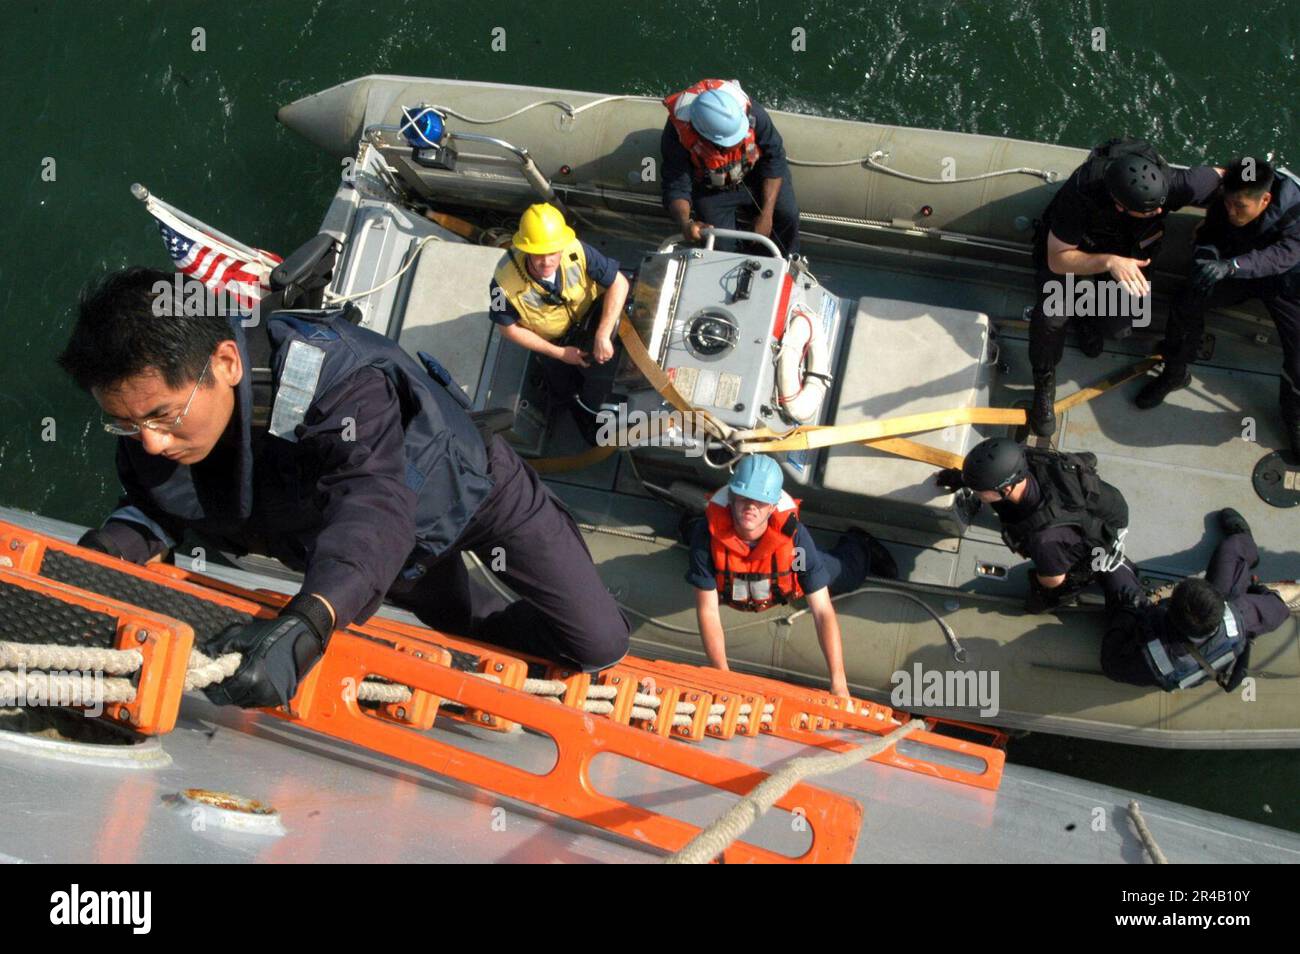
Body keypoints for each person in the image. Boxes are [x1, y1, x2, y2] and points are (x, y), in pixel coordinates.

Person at [59, 267, 630, 709]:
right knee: (471, 624)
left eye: (162, 416)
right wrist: (106, 553)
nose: (151, 443)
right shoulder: (151, 425)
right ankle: (517, 657)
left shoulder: (339, 380)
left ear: (227, 363)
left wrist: (309, 621)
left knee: (597, 642)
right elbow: (155, 506)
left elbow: (372, 504)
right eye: (129, 424)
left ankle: (559, 621)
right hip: (391, 560)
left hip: (471, 491)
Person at [1026, 137, 1222, 435]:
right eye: (1149, 211)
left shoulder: (1173, 186)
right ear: (1119, 205)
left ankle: (1087, 316)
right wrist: (1108, 262)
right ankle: (1044, 381)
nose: (1159, 213)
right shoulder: (1081, 194)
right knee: (1050, 318)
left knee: (1120, 326)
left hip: (1130, 253)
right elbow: (1058, 259)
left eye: (1160, 207)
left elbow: (1228, 176)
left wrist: (1215, 221)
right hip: (1080, 253)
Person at [684, 455, 897, 699]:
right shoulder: (707, 536)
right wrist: (721, 676)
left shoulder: (795, 541)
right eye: (743, 498)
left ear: (772, 506)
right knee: (696, 534)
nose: (750, 506)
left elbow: (822, 612)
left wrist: (839, 683)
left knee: (845, 573)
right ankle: (686, 522)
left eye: (760, 501)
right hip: (732, 583)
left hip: (786, 577)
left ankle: (860, 544)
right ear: (732, 498)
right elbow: (708, 610)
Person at [1135, 158, 1300, 459]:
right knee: (1187, 300)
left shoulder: (1296, 211)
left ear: (1266, 199)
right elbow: (1210, 233)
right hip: (1237, 273)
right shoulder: (1228, 202)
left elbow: (1283, 256)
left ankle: (1295, 424)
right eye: (1228, 204)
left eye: (1240, 207)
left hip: (1287, 286)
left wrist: (1233, 265)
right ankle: (1175, 371)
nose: (1232, 212)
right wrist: (1206, 259)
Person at [1100, 509, 1297, 690]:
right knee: (1234, 547)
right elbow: (1277, 609)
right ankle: (1246, 545)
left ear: (1169, 608)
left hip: (1144, 620)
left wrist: (1126, 614)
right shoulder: (1240, 614)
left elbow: (1111, 666)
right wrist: (1258, 589)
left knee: (1109, 563)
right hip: (1205, 631)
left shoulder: (1151, 659)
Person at [488, 203, 629, 444]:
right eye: (539, 254)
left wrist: (603, 334)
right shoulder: (501, 284)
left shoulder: (577, 250)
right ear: (525, 250)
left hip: (592, 319)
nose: (547, 261)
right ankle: (591, 430)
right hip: (554, 342)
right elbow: (508, 328)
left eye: (553, 252)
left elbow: (619, 282)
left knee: (622, 362)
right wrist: (561, 353)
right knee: (566, 389)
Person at [937, 437, 1129, 612]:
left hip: (1098, 538)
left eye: (979, 489)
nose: (974, 491)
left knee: (1048, 592)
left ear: (1006, 488)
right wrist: (961, 478)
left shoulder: (1043, 539)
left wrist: (1043, 585)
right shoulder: (1023, 458)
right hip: (1097, 505)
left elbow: (1054, 579)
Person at [661, 78, 800, 256]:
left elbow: (774, 157)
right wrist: (685, 223)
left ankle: (786, 261)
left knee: (788, 215)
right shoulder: (677, 135)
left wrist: (766, 214)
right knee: (720, 242)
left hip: (755, 176)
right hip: (712, 190)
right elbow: (676, 184)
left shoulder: (753, 113)